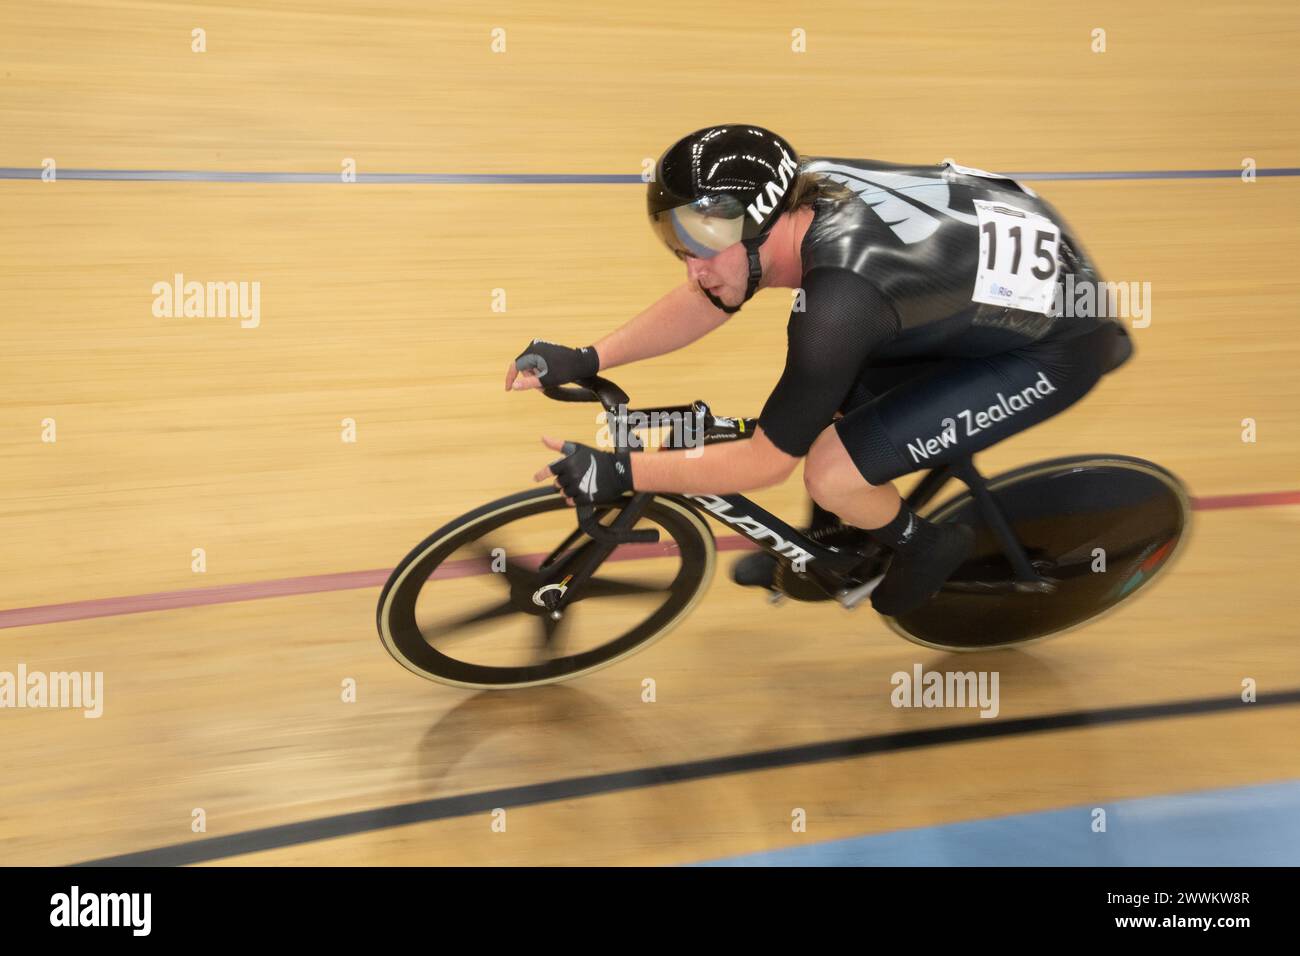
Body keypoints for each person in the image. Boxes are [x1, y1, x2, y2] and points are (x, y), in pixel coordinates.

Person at [504, 124, 1133, 616]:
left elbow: (765, 464)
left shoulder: (838, 305)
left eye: (702, 253)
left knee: (831, 469)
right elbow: (710, 293)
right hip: (972, 281)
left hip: (1050, 349)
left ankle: (926, 545)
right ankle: (831, 554)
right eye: (683, 252)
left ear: (761, 230)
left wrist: (621, 469)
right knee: (821, 405)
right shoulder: (802, 193)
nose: (693, 270)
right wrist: (589, 357)